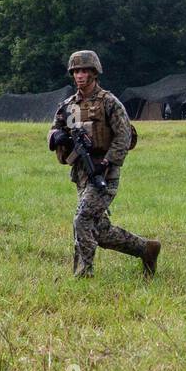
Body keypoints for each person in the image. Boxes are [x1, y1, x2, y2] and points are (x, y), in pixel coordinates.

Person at [48, 50, 161, 279]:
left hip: (104, 174)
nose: (80, 75)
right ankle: (146, 249)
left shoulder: (109, 103)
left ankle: (83, 275)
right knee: (99, 230)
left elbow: (124, 136)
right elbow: (54, 128)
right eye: (76, 71)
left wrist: (107, 161)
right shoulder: (69, 105)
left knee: (81, 219)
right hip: (80, 173)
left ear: (94, 73)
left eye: (85, 71)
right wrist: (56, 137)